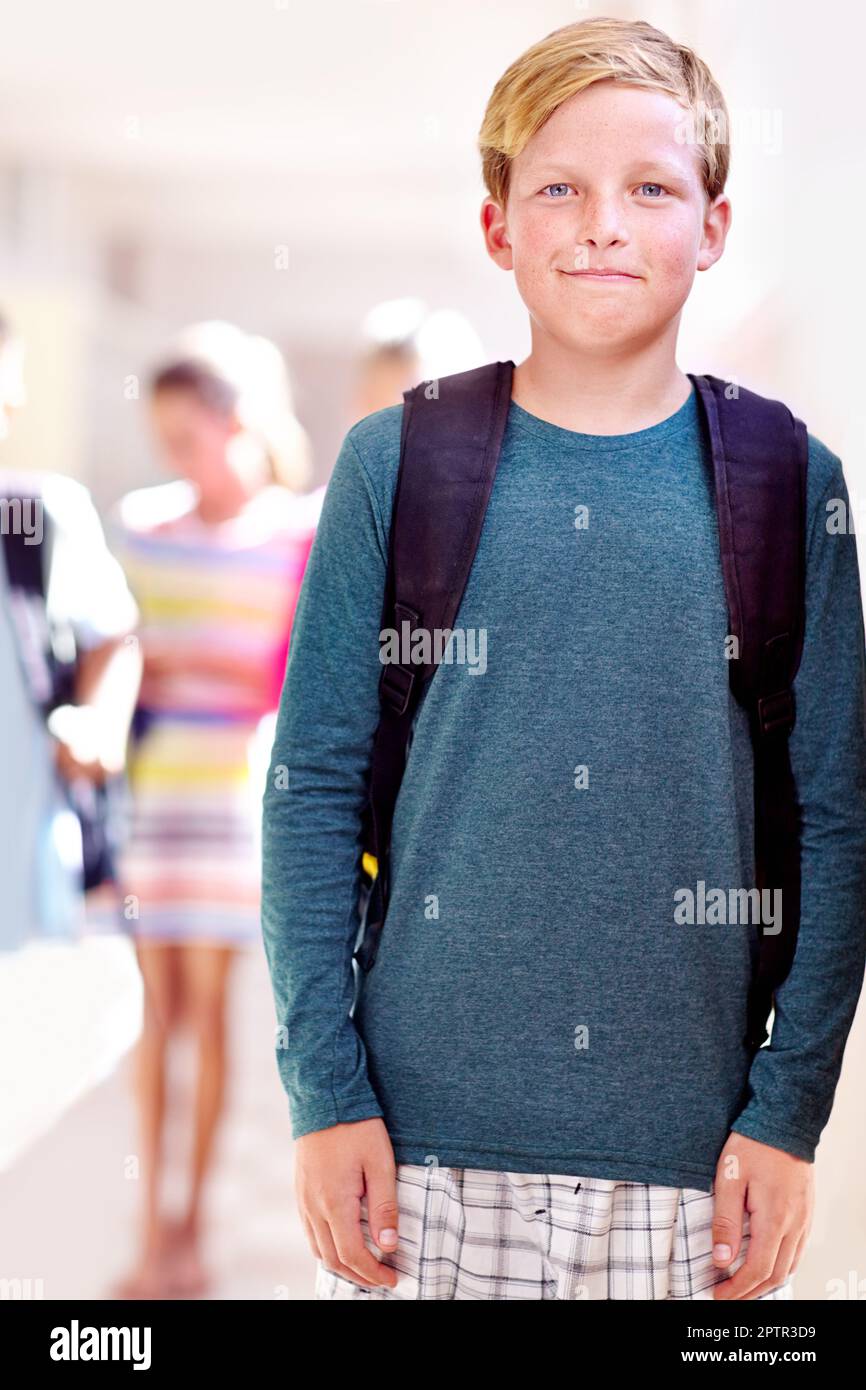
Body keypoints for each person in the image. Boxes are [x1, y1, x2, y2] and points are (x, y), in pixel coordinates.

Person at [260, 18, 866, 1300]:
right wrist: (322, 1094)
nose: (602, 223)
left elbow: (836, 818)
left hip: (690, 1170)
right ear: (497, 227)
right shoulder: (398, 458)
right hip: (411, 1162)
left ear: (710, 226)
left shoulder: (786, 483)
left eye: (650, 188)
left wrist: (786, 1111)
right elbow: (311, 787)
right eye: (558, 188)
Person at [108, 322, 323, 1299]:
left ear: (236, 422)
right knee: (158, 1018)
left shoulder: (298, 533)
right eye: (165, 440)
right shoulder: (142, 527)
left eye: (188, 436)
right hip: (156, 797)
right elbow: (122, 660)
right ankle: (153, 1230)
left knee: (211, 1023)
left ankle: (190, 1236)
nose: (175, 459)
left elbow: (288, 676)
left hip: (237, 799)